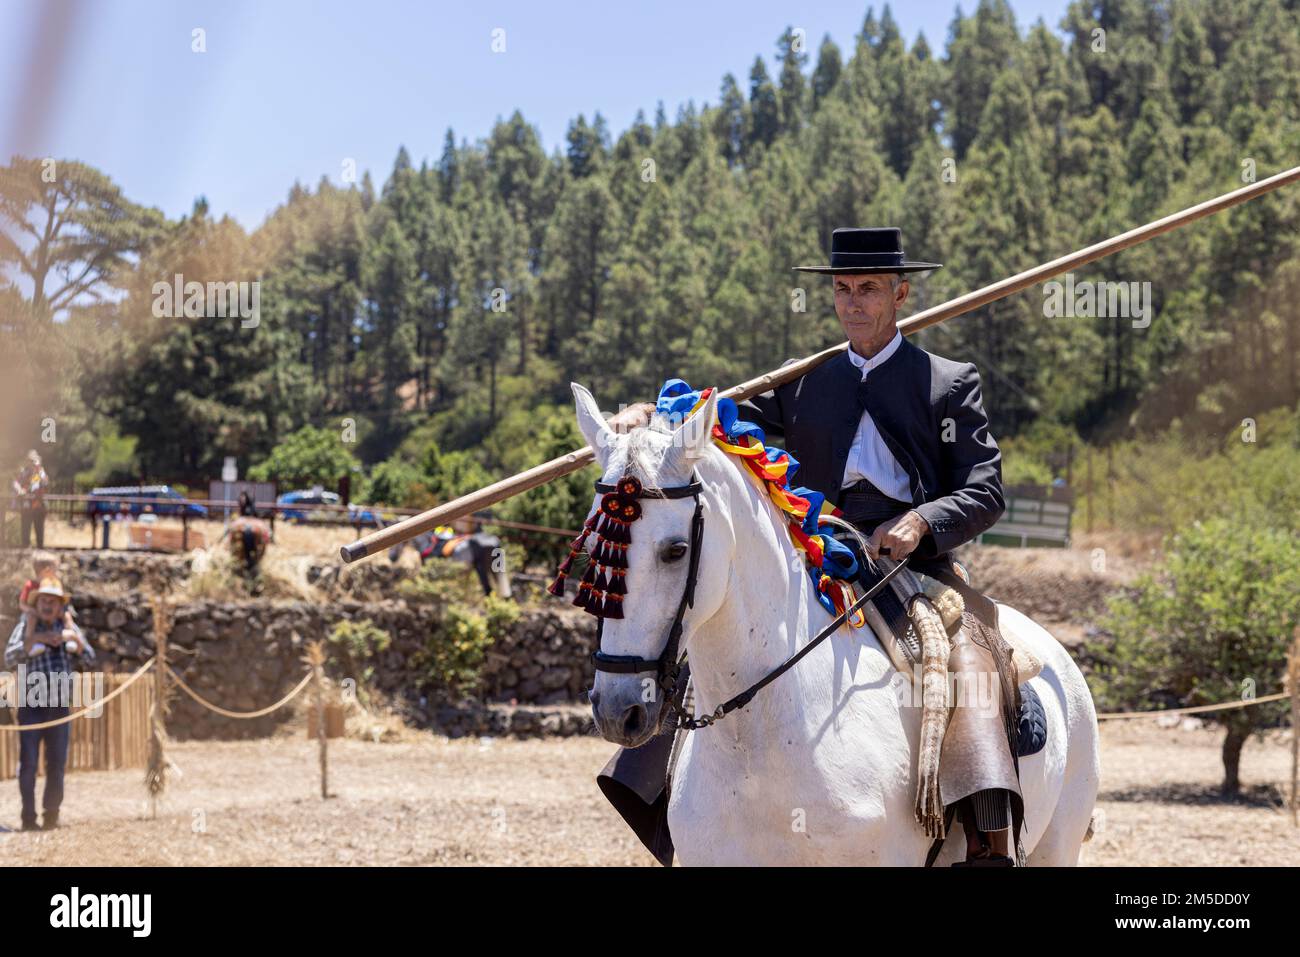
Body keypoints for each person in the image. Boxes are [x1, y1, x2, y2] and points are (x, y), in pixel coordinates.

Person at [609, 227, 1017, 865]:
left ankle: (990, 839)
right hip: (816, 550)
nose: (855, 303)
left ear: (901, 294)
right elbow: (719, 426)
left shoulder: (947, 383)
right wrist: (650, 415)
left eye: (870, 290)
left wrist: (923, 522)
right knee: (720, 644)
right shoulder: (802, 382)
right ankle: (669, 803)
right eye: (844, 290)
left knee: (970, 657)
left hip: (913, 562)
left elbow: (985, 490)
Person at [4, 577, 94, 831]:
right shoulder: (26, 626)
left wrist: (73, 641)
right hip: (31, 705)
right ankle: (28, 818)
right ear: (37, 602)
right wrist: (36, 640)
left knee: (56, 763)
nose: (47, 605)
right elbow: (10, 657)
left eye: (52, 601)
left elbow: (89, 657)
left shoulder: (68, 627)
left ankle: (51, 815)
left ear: (59, 606)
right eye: (44, 600)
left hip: (59, 707)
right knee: (29, 762)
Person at [17, 552, 77, 635]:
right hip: (35, 613)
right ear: (47, 570)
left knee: (66, 614)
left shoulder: (55, 583)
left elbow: (60, 599)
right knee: (31, 618)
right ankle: (30, 639)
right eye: (55, 570)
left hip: (51, 612)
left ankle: (70, 632)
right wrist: (32, 610)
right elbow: (22, 603)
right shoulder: (30, 585)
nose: (56, 573)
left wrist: (60, 610)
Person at [12, 450, 48, 548]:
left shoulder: (41, 472)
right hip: (26, 506)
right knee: (25, 530)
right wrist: (19, 489)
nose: (32, 462)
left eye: (34, 460)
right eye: (30, 460)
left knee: (39, 531)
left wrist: (25, 490)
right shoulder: (24, 472)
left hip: (39, 506)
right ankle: (25, 550)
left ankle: (40, 551)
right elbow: (15, 482)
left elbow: (39, 484)